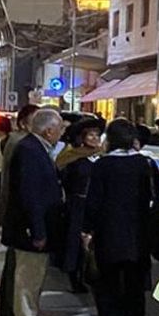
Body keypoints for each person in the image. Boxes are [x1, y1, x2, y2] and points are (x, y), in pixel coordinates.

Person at [84, 120, 159, 316]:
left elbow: (93, 201)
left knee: (106, 282)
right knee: (136, 283)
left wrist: (87, 229)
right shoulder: (146, 163)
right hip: (138, 233)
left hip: (108, 232)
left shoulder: (102, 165)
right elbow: (157, 199)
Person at [2, 107, 65, 316]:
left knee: (34, 278)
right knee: (28, 278)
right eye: (59, 128)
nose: (61, 133)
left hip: (35, 226)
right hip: (29, 229)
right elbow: (30, 195)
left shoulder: (35, 147)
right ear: (48, 131)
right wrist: (37, 230)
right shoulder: (30, 150)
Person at [0, 104, 40, 316]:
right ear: (24, 123)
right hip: (18, 214)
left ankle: (12, 309)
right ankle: (14, 310)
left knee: (15, 264)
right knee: (19, 266)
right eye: (35, 120)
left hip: (13, 212)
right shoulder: (21, 143)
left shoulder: (17, 141)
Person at [54, 115, 105, 294]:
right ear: (82, 137)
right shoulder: (72, 157)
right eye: (90, 135)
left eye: (97, 135)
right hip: (77, 203)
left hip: (96, 204)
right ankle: (74, 276)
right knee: (75, 241)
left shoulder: (102, 157)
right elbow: (63, 178)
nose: (94, 138)